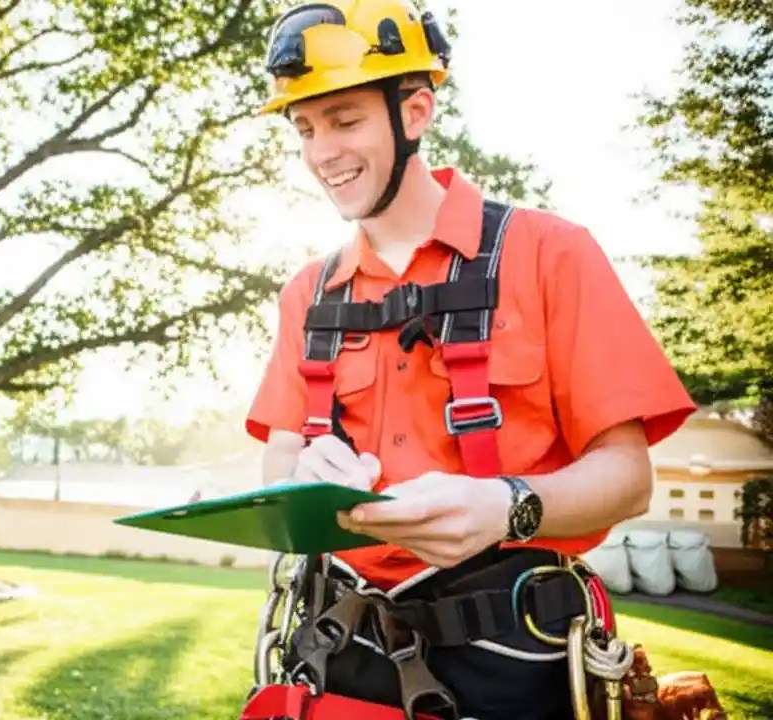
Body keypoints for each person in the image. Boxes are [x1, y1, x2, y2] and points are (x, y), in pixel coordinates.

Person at [242, 1, 697, 718]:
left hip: (509, 658)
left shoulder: (550, 253)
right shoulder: (310, 291)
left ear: (414, 111)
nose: (321, 151)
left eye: (345, 119)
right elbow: (278, 464)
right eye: (304, 128)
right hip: (338, 656)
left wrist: (507, 508)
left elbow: (628, 476)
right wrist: (305, 479)